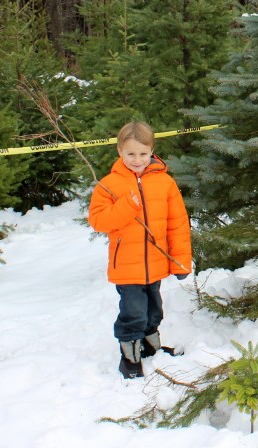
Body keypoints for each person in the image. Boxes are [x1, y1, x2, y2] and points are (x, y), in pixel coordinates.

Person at [89, 121, 193, 378]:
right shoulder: (108, 185)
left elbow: (177, 224)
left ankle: (150, 346)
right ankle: (130, 357)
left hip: (156, 262)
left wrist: (180, 261)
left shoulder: (165, 183)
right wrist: (128, 204)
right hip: (126, 265)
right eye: (131, 154)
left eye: (143, 154)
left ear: (152, 151)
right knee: (133, 312)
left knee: (154, 308)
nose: (137, 160)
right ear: (119, 151)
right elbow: (98, 221)